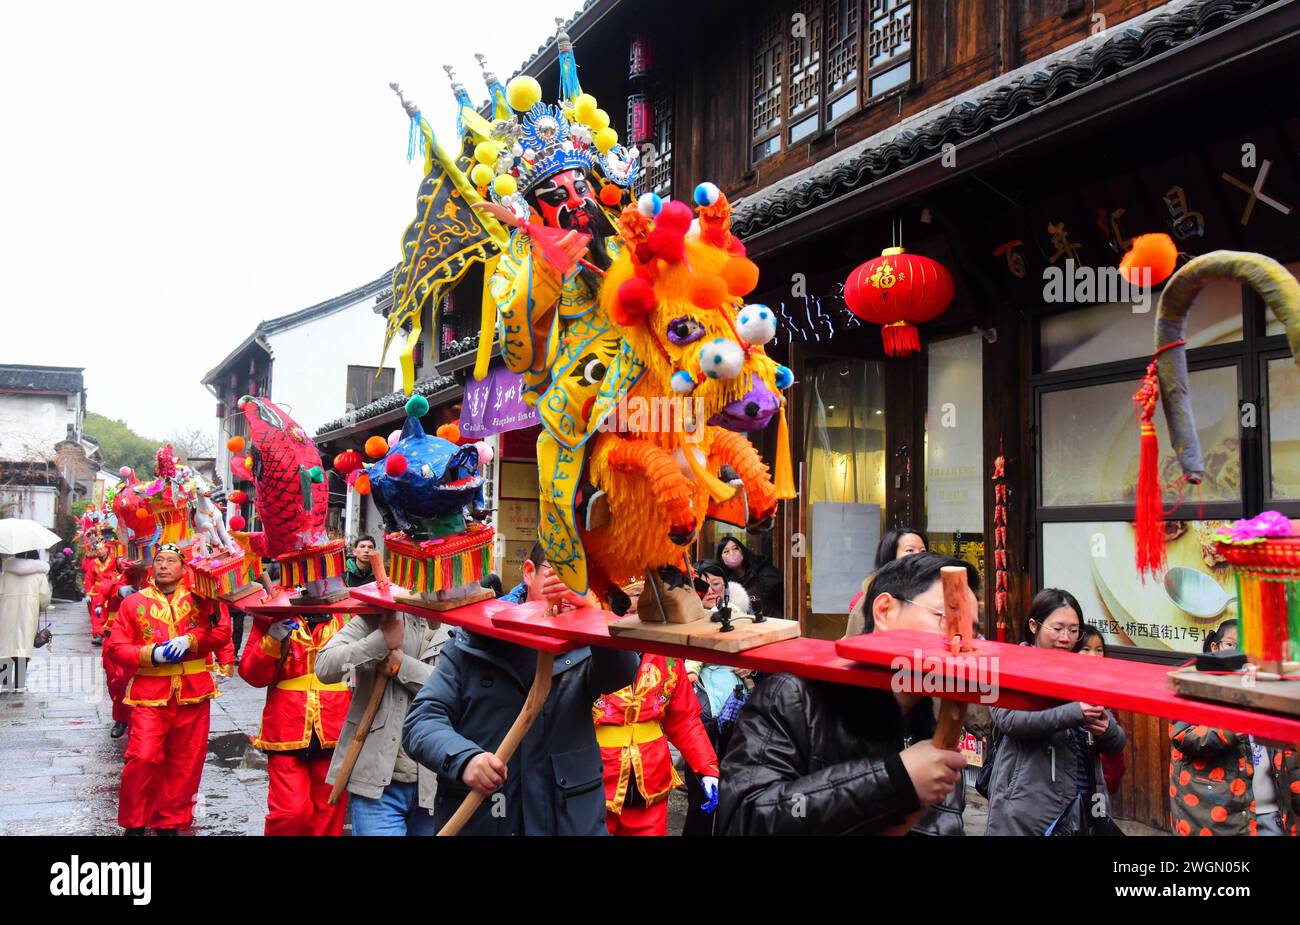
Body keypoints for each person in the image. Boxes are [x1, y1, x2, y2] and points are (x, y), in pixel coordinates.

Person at [718, 552, 974, 835]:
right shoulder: (794, 697)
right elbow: (747, 818)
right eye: (945, 617)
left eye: (973, 630)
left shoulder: (937, 731)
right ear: (884, 611)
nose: (961, 643)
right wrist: (892, 781)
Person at [403, 540, 639, 835]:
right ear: (529, 572)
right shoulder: (474, 639)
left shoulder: (586, 644)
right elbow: (421, 722)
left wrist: (592, 614)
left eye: (581, 579)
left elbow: (623, 671)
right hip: (487, 817)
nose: (569, 589)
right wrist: (465, 760)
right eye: (559, 574)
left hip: (567, 819)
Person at [105, 544, 231, 834]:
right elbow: (117, 648)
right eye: (159, 560)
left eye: (171, 561)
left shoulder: (204, 599)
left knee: (185, 762)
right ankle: (134, 823)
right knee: (143, 756)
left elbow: (221, 632)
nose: (163, 565)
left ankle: (170, 822)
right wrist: (152, 654)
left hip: (193, 693)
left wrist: (191, 641)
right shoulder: (133, 603)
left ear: (184, 568)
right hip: (149, 693)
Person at [985, 589, 1125, 836]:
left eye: (1073, 630)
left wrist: (1107, 729)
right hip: (1026, 805)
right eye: (1057, 628)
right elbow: (1010, 721)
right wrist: (1075, 712)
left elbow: (1116, 743)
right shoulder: (1009, 666)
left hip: (1085, 803)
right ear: (1033, 625)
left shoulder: (1084, 672)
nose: (1066, 638)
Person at [316, 603, 450, 836]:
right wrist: (379, 642)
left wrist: (401, 666)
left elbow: (459, 690)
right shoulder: (380, 616)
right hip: (377, 787)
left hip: (438, 786)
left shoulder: (461, 627)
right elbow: (325, 666)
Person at [1169, 619, 1298, 836]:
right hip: (1220, 821)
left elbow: (1289, 757)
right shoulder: (1197, 685)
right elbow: (1183, 736)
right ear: (1215, 648)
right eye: (1231, 645)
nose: (1240, 654)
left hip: (1273, 815)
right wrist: (1234, 726)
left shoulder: (1269, 687)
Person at [238, 610, 352, 836]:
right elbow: (252, 675)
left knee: (329, 812)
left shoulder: (347, 613)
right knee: (290, 813)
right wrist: (272, 639)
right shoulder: (272, 613)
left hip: (336, 726)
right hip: (286, 727)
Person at [596, 650, 718, 836]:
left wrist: (707, 768)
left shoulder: (666, 655)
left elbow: (685, 720)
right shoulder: (585, 650)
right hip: (595, 778)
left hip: (651, 780)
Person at [844, 527, 929, 635]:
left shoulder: (930, 595)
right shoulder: (870, 600)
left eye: (923, 551)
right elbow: (855, 644)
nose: (919, 556)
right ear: (891, 557)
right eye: (910, 550)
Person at [1075, 625, 1125, 795]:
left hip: (1100, 778)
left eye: (1099, 650)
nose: (1094, 656)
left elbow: (1115, 745)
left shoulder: (1107, 690)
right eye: (1086, 649)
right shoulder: (1068, 687)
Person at [0, 551, 52, 693]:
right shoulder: (39, 575)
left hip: (6, 613)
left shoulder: (6, 573)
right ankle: (19, 683)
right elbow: (44, 599)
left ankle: (4, 684)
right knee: (23, 646)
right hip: (28, 614)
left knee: (6, 646)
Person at [716, 536, 783, 620]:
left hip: (774, 624)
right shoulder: (726, 583)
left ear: (742, 551)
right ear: (721, 558)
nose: (732, 553)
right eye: (726, 551)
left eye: (735, 548)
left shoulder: (763, 572)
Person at [85, 541, 119, 645]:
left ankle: (110, 634)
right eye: (98, 550)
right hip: (97, 591)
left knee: (111, 613)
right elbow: (89, 579)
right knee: (97, 615)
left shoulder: (114, 561)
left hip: (111, 590)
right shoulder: (93, 563)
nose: (99, 551)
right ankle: (99, 635)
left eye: (101, 549)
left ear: (107, 549)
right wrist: (87, 593)